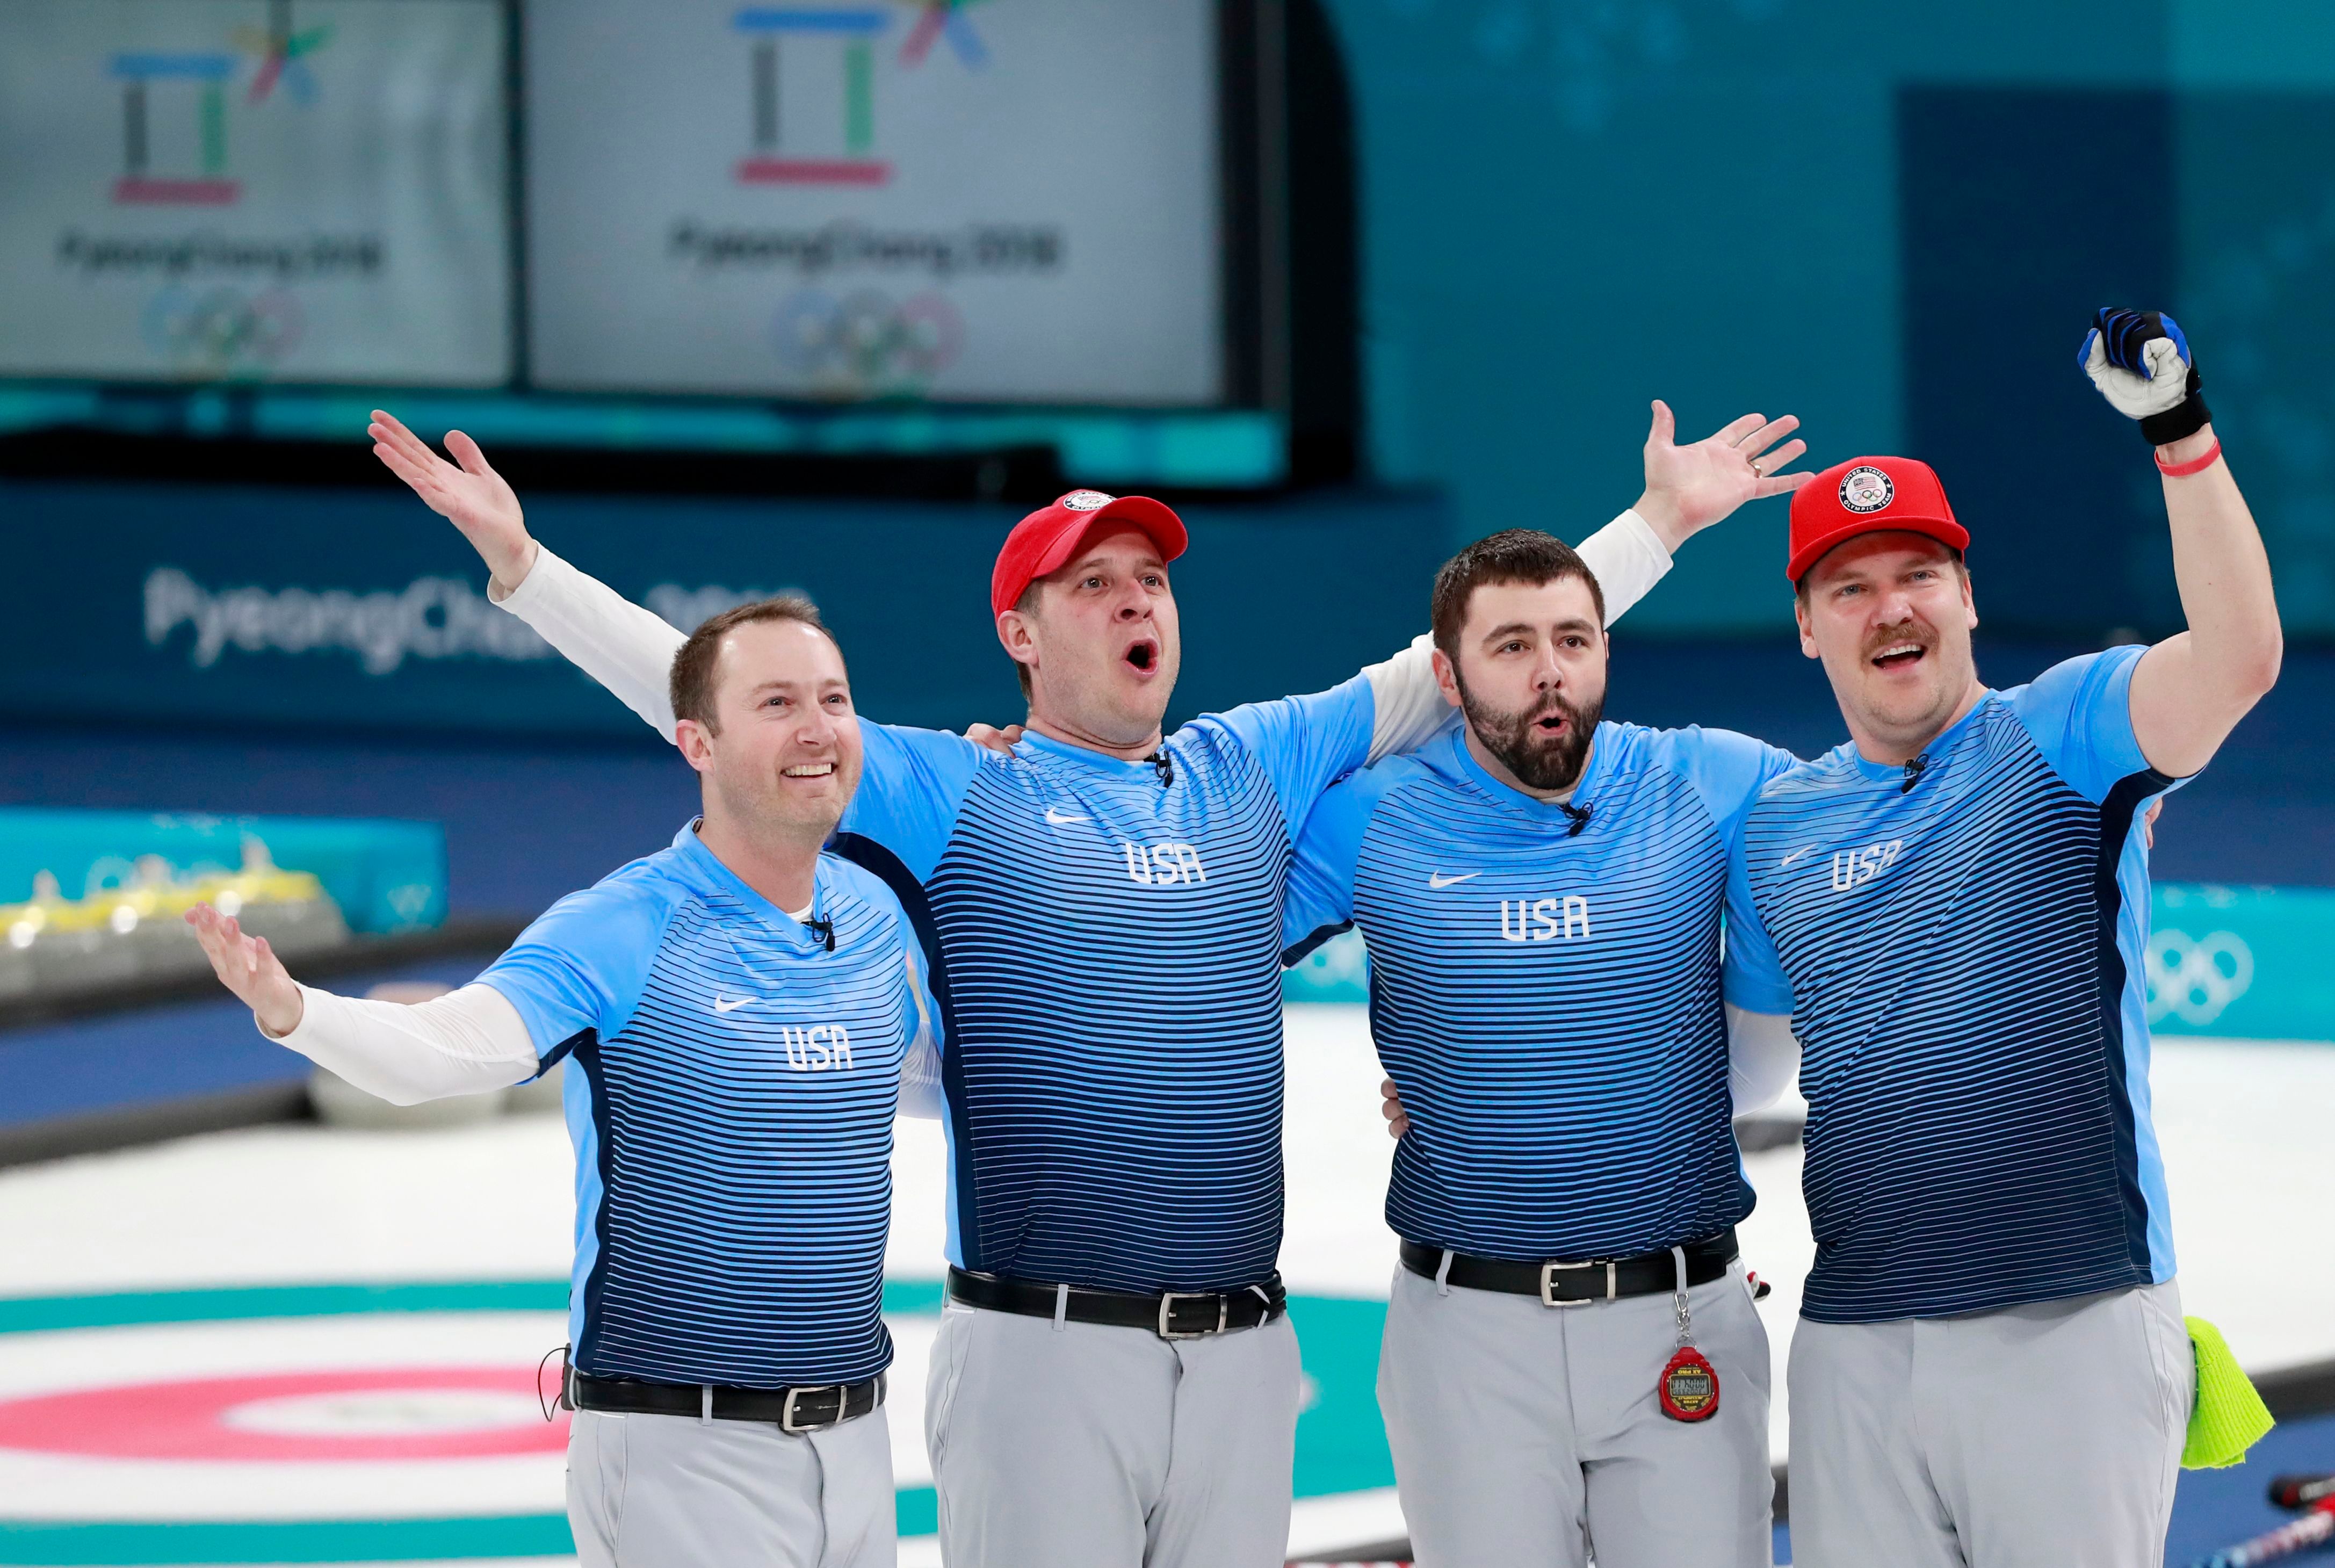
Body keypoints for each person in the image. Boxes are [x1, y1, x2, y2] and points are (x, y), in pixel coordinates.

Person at [366, 399, 1809, 1568]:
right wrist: (524, 571)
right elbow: (742, 714)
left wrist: (1661, 526)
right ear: (1021, 635)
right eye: (1094, 585)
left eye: (1154, 581)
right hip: (1040, 1354)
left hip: (1244, 1359)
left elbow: (1470, 662)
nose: (1138, 602)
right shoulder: (955, 795)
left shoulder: (1255, 766)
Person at [186, 597, 942, 1568]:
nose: (817, 729)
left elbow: (920, 1072)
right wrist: (297, 1009)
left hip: (859, 1440)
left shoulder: (876, 915)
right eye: (777, 703)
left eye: (834, 700)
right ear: (696, 743)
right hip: (682, 1450)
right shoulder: (623, 926)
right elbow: (445, 1052)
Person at [1722, 309, 2282, 1567]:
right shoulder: (1777, 827)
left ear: (1965, 596)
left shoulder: (2063, 730)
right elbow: (1737, 1072)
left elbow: (2239, 657)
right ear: (1807, 626)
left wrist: (2177, 433)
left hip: (2068, 1322)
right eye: (1848, 587)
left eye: (1916, 573)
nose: (1889, 606)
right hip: (1854, 1340)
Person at [1289, 527, 1806, 1568]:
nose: (1549, 671)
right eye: (1511, 645)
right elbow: (1174, 934)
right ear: (1446, 673)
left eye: (1573, 638)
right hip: (1465, 1335)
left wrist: (2101, 814)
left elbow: (1907, 816)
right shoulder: (1373, 815)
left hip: (1680, 1322)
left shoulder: (1707, 780)